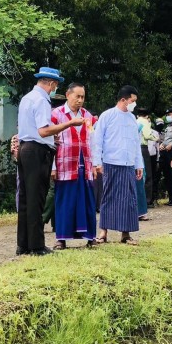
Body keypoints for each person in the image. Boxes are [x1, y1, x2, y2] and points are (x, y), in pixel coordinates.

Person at [16, 67, 84, 256]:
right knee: (37, 198)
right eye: (56, 86)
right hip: (37, 151)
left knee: (25, 199)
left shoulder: (27, 97)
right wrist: (70, 123)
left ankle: (23, 244)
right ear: (52, 84)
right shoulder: (42, 100)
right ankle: (37, 245)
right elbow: (43, 131)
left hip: (25, 148)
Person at [92, 85, 145, 245]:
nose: (134, 104)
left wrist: (139, 164)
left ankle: (125, 234)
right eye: (132, 101)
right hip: (110, 162)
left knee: (129, 198)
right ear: (124, 99)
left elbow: (136, 143)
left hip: (128, 164)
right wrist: (97, 162)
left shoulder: (132, 119)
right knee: (108, 197)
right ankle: (103, 232)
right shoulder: (107, 116)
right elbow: (97, 140)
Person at [50, 83, 98, 249]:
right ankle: (61, 238)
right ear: (67, 95)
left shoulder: (87, 116)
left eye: (82, 97)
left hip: (85, 163)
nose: (80, 100)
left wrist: (95, 164)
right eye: (77, 96)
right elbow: (51, 143)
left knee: (87, 201)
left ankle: (90, 236)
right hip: (65, 165)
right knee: (65, 201)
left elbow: (92, 140)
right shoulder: (56, 115)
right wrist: (52, 167)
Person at [159, 108, 172, 206]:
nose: (168, 116)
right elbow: (166, 139)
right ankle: (171, 198)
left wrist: (171, 145)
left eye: (170, 114)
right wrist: (162, 144)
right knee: (167, 176)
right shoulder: (167, 127)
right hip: (165, 152)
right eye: (167, 114)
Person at [149, 118, 163, 206]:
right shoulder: (139, 131)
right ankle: (147, 199)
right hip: (143, 157)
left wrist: (157, 160)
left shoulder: (155, 133)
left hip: (153, 158)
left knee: (154, 178)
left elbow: (157, 148)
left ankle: (154, 198)